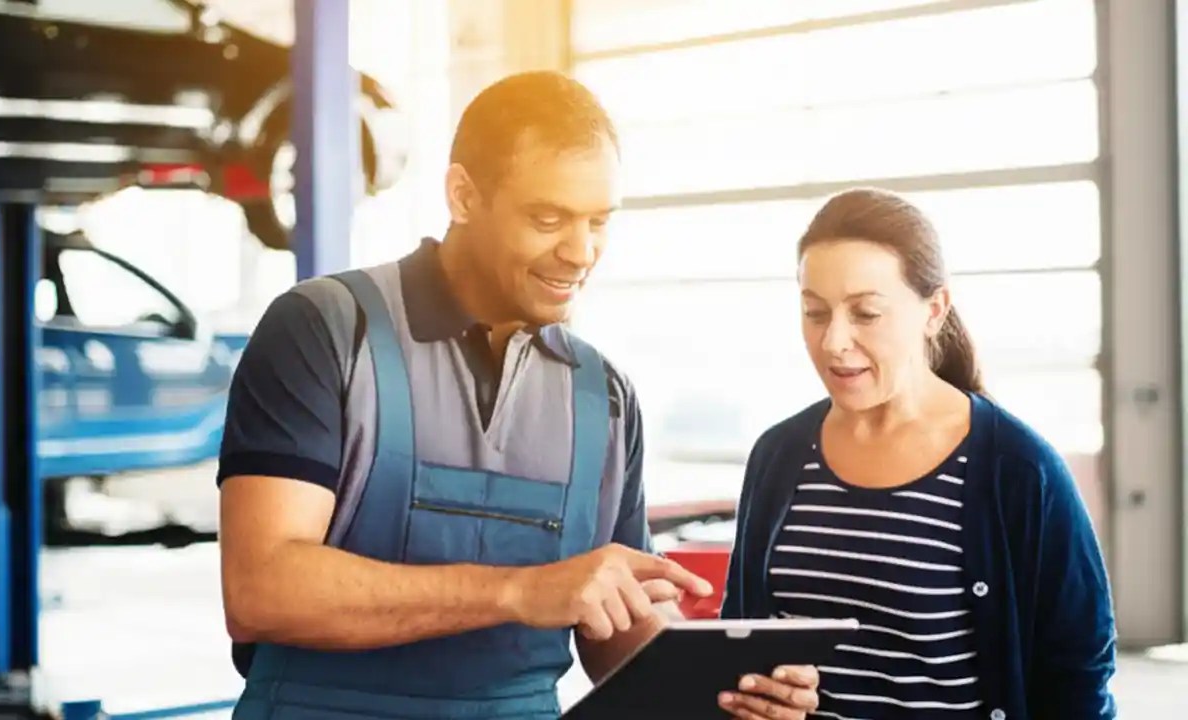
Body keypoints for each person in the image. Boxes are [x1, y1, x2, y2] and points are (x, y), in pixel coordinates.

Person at [216, 71, 819, 720]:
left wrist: (725, 690)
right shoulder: (326, 330)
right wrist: (519, 592)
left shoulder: (603, 397)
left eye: (598, 221)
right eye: (549, 218)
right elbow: (261, 590)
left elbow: (616, 631)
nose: (581, 251)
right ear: (463, 195)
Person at [720, 187, 1118, 719]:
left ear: (934, 310)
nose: (834, 341)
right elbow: (740, 653)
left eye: (865, 313)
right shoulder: (778, 456)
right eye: (816, 313)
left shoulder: (1018, 470)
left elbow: (1079, 678)